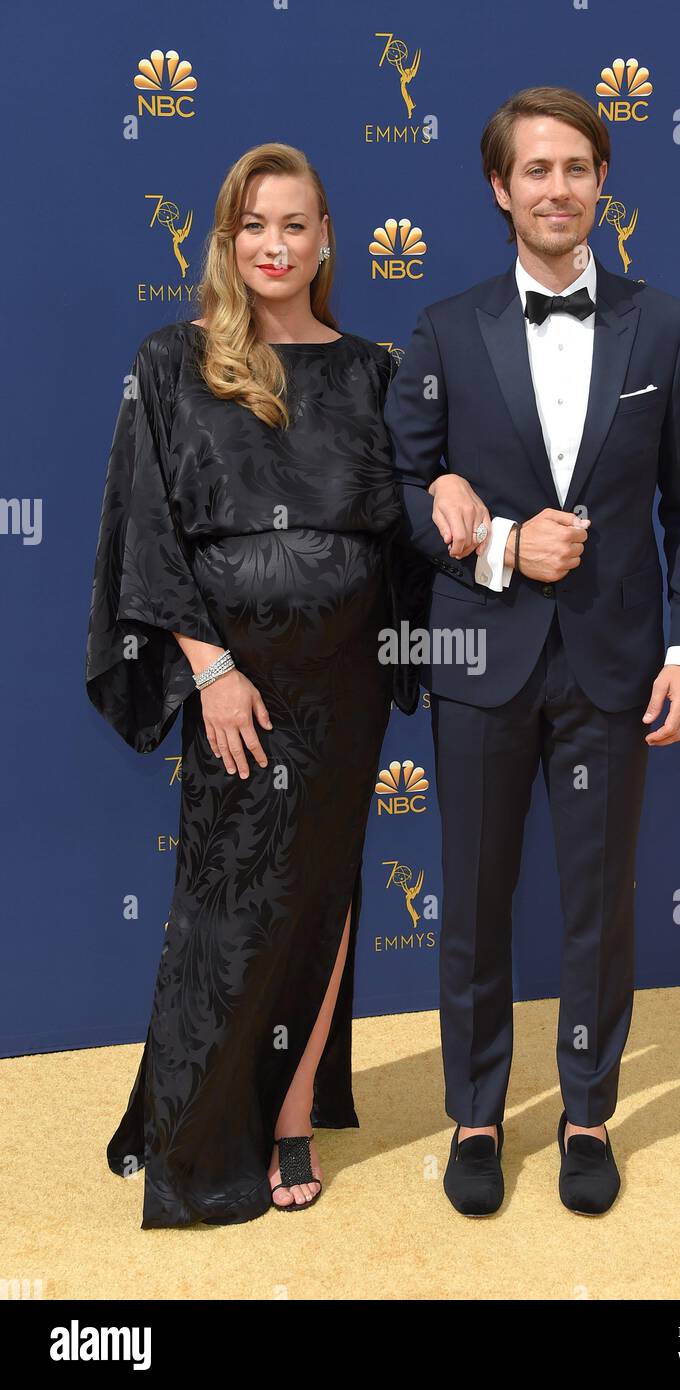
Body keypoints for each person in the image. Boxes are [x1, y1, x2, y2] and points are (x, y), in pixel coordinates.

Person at [384, 87, 680, 1216]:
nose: (555, 188)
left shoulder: (665, 326)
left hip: (613, 665)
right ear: (499, 188)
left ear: (600, 183)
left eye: (575, 167)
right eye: (533, 169)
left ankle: (586, 1116)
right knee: (474, 903)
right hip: (480, 662)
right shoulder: (442, 329)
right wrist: (495, 550)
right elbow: (400, 494)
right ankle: (474, 1119)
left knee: (594, 904)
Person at [85, 142, 430, 1228]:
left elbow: (409, 513)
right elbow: (148, 529)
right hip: (236, 683)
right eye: (254, 226)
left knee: (322, 900)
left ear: (326, 239)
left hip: (346, 687)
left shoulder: (372, 369)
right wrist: (211, 667)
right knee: (227, 904)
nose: (275, 245)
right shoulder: (172, 360)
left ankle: (286, 1114)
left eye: (295, 224)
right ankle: (193, 1129)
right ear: (226, 242)